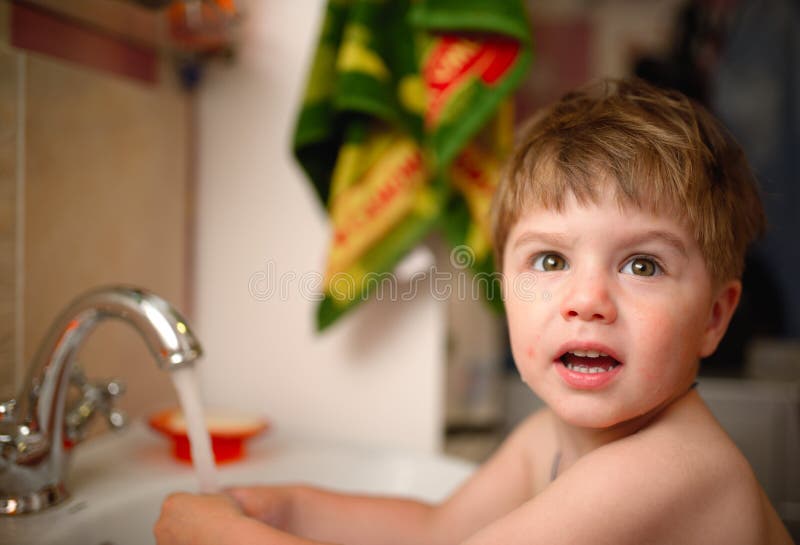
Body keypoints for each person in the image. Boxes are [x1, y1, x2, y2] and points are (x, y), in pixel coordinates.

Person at [154, 78, 795, 544]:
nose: (587, 302)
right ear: (504, 287)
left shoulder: (672, 468)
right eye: (549, 261)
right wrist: (283, 508)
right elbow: (435, 529)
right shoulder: (547, 439)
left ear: (715, 316)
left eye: (642, 265)